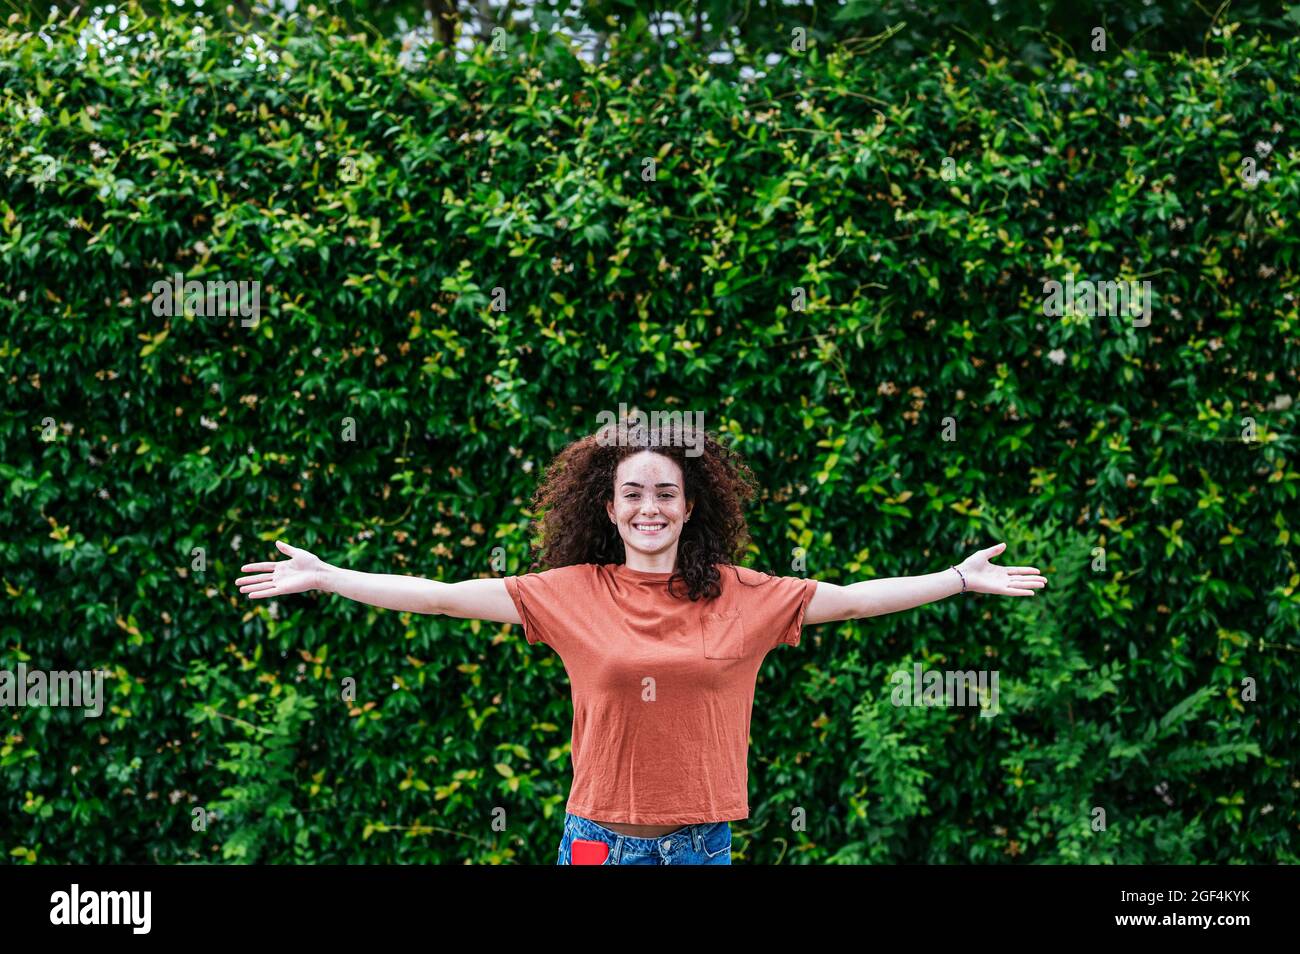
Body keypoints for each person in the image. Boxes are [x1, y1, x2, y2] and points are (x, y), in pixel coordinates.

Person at [236, 416, 1046, 864]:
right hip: (594, 845)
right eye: (634, 494)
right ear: (611, 507)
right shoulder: (571, 594)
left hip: (700, 847)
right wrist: (331, 575)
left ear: (691, 506)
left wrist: (957, 578)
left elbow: (858, 601)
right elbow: (446, 599)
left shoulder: (743, 595)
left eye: (666, 492)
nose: (650, 506)